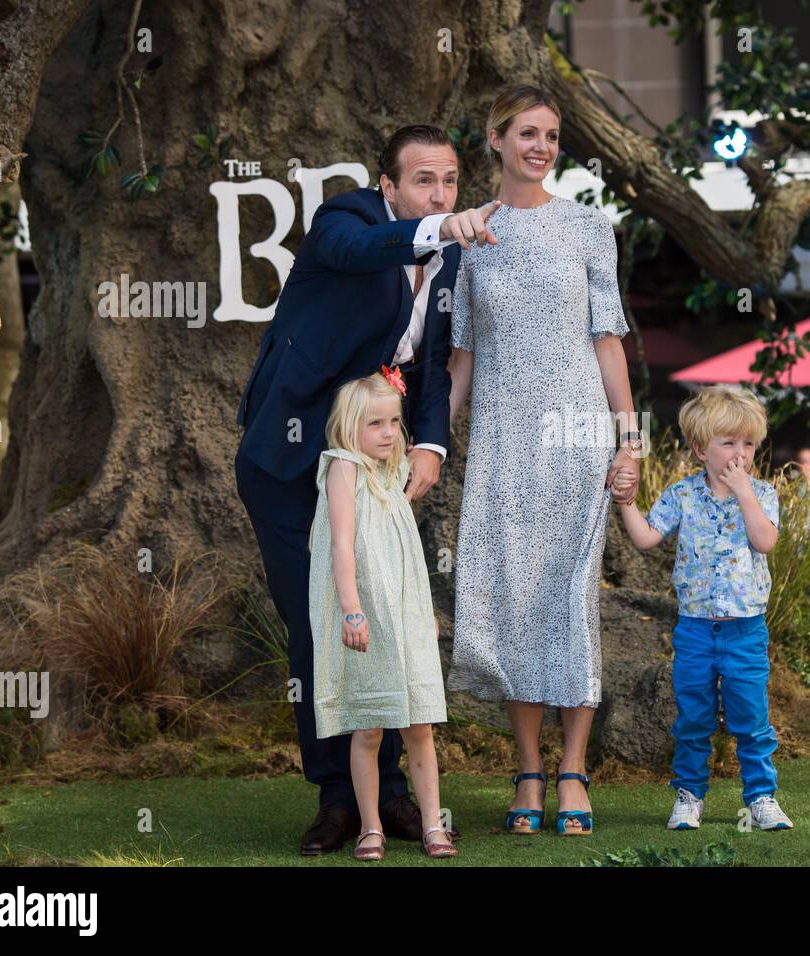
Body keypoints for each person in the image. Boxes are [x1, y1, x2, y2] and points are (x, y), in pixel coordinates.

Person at [234, 123, 495, 854]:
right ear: (390, 187)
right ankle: (338, 800)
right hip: (287, 464)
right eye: (422, 180)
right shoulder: (346, 221)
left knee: (382, 620)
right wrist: (438, 226)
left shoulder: (446, 260)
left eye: (448, 182)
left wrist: (433, 445)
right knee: (319, 629)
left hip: (375, 471)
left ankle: (394, 800)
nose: (438, 193)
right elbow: (361, 253)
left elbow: (435, 360)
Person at [445, 85, 639, 836]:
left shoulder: (590, 228)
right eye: (527, 133)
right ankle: (527, 768)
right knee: (511, 603)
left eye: (552, 135)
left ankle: (573, 770)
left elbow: (608, 340)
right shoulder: (468, 238)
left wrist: (631, 442)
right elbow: (461, 358)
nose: (542, 146)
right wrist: (430, 443)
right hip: (500, 443)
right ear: (494, 141)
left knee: (570, 602)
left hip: (577, 436)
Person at [613, 385, 791, 831]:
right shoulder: (682, 495)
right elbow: (646, 537)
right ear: (699, 449)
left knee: (750, 717)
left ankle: (761, 798)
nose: (740, 453)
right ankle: (689, 795)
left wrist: (744, 493)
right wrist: (626, 503)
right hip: (695, 629)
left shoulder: (763, 495)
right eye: (728, 442)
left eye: (749, 444)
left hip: (745, 630)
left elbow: (765, 541)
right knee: (693, 716)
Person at [308, 371, 456, 860]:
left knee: (419, 724)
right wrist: (351, 610)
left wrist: (423, 610)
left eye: (394, 421)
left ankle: (434, 824)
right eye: (376, 423)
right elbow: (343, 546)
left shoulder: (392, 475)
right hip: (367, 615)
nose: (389, 432)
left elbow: (404, 553)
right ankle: (370, 825)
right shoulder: (343, 468)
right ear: (351, 427)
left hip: (403, 613)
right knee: (369, 726)